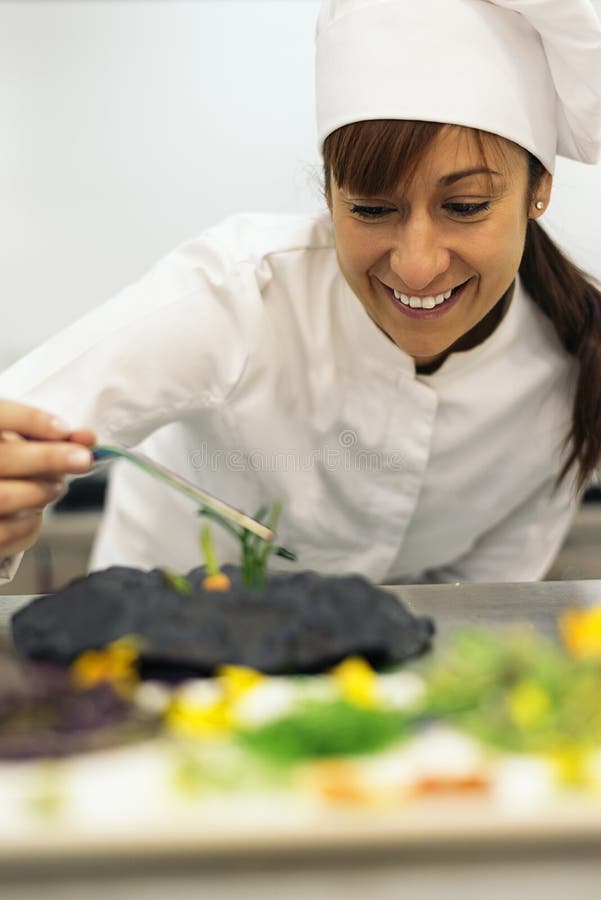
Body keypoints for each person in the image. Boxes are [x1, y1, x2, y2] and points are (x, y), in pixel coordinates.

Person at [1, 0, 600, 585]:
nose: (417, 266)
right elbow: (25, 418)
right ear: (330, 195)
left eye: (465, 207)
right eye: (371, 208)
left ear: (537, 190)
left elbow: (482, 607)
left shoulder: (573, 372)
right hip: (152, 646)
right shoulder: (241, 294)